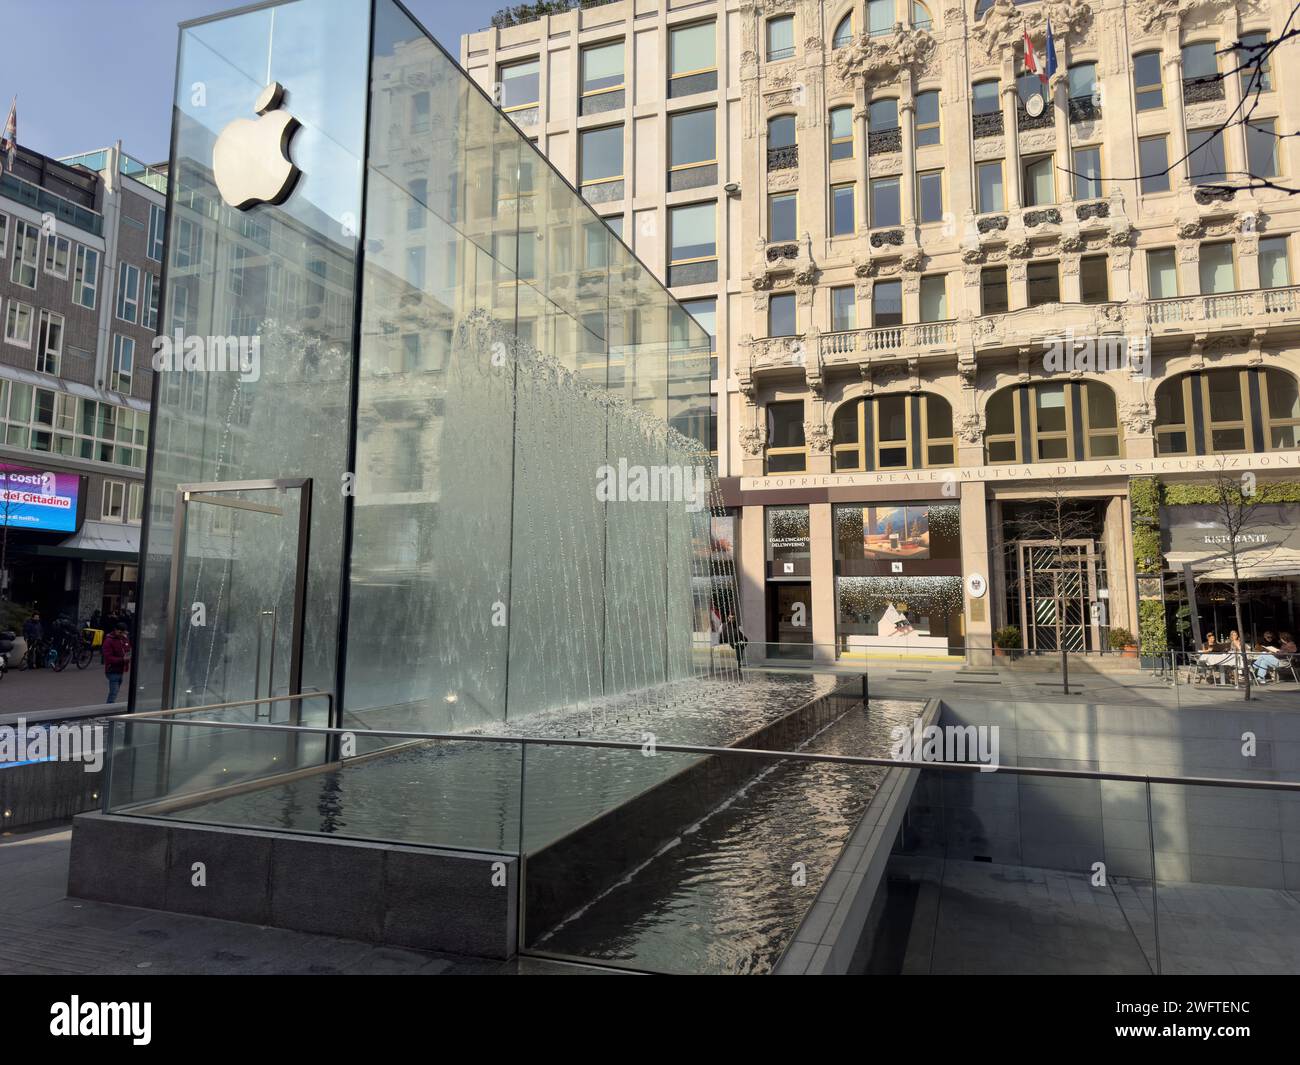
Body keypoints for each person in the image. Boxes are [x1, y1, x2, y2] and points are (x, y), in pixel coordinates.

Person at [103, 622, 132, 704]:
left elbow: (127, 649)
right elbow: (108, 658)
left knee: (115, 691)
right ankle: (108, 709)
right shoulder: (109, 641)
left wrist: (126, 641)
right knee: (113, 693)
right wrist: (122, 659)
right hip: (112, 670)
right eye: (120, 632)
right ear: (116, 630)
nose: (121, 634)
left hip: (121, 669)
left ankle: (109, 708)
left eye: (123, 632)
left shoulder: (123, 638)